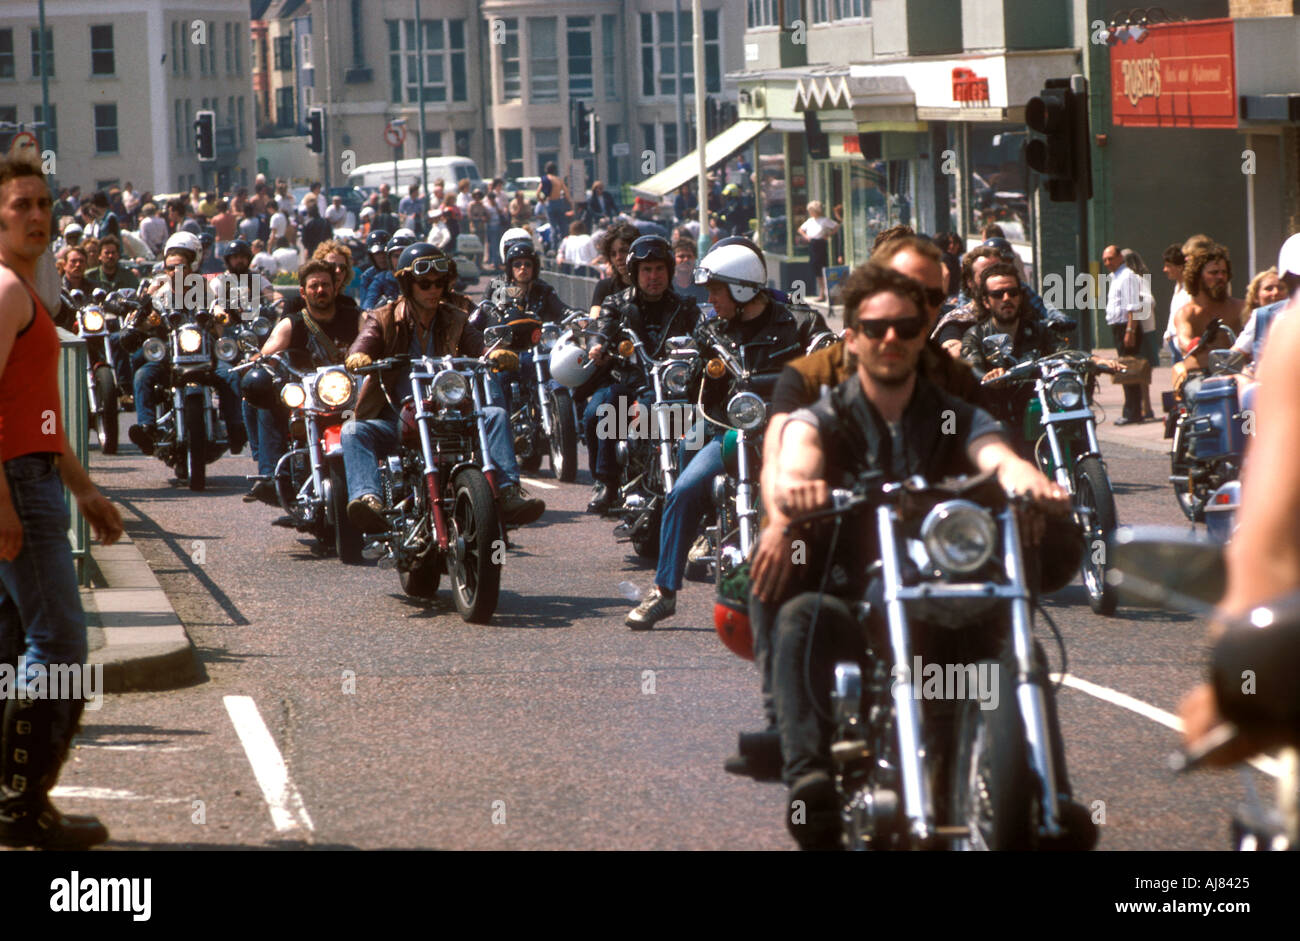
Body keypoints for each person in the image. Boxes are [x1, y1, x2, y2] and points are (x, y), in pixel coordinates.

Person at [766, 260, 1076, 850]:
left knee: (1020, 649)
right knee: (801, 618)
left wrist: (1030, 481)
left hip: (948, 583)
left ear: (921, 334)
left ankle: (1052, 797)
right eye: (875, 327)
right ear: (851, 335)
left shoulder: (953, 412)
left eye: (907, 327)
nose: (891, 338)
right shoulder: (822, 417)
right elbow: (796, 456)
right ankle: (810, 780)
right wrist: (797, 487)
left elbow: (996, 453)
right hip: (862, 592)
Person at [738, 234, 982, 781]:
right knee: (780, 564)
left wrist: (1033, 492)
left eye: (933, 300)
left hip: (933, 539)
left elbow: (992, 449)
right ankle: (788, 724)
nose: (917, 311)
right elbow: (781, 451)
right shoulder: (815, 374)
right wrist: (780, 518)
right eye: (906, 294)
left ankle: (1027, 766)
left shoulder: (952, 377)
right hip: (839, 534)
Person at [0, 155, 124, 848]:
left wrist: (84, 488)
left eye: (44, 203)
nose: (38, 215)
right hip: (15, 483)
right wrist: (4, 503)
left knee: (16, 641)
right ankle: (22, 807)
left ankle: (17, 801)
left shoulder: (24, 290)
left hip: (34, 475)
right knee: (60, 645)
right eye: (21, 204)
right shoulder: (8, 293)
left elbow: (38, 411)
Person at [622, 239, 828, 629]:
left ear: (741, 287)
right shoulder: (712, 330)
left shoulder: (799, 322)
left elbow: (827, 358)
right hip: (734, 432)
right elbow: (697, 391)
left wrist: (831, 348)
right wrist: (706, 370)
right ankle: (664, 590)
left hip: (790, 434)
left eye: (716, 290)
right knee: (684, 489)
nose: (711, 299)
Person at [340, 243, 545, 529]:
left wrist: (492, 355)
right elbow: (363, 343)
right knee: (352, 430)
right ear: (408, 284)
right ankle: (368, 500)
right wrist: (359, 356)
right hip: (398, 417)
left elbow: (477, 347)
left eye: (438, 282)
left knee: (496, 415)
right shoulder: (383, 317)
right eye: (424, 283)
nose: (433, 289)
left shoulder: (455, 317)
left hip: (450, 412)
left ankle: (507, 492)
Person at [584, 236, 703, 514]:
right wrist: (597, 345)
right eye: (647, 270)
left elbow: (704, 333)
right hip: (629, 380)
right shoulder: (617, 302)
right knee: (598, 412)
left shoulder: (684, 306)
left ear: (669, 271)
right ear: (636, 273)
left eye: (659, 269)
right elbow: (601, 326)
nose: (654, 276)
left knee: (699, 420)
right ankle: (607, 482)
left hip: (672, 383)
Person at [243, 259, 362, 506]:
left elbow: (373, 339)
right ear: (303, 291)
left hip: (349, 394)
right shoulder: (292, 323)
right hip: (306, 398)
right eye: (314, 285)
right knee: (270, 407)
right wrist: (259, 362)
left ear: (335, 288)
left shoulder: (355, 318)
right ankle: (275, 477)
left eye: (326, 285)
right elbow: (269, 355)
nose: (320, 290)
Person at [127, 232, 247, 458]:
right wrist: (143, 320)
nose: (175, 272)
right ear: (165, 270)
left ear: (190, 267)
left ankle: (235, 427)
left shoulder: (204, 289)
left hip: (204, 352)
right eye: (171, 268)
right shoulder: (160, 295)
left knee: (229, 374)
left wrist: (222, 314)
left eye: (180, 267)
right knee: (143, 374)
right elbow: (142, 319)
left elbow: (217, 308)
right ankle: (147, 428)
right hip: (170, 355)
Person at [1170, 243, 1246, 397]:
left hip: (1238, 375)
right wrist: (1197, 343)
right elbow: (1184, 341)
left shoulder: (1241, 308)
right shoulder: (1187, 313)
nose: (1220, 277)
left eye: (1224, 273)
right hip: (1200, 377)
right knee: (1203, 394)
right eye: (1214, 272)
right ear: (1198, 276)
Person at [1102, 244, 1148, 425]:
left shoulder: (1127, 276)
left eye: (1110, 258)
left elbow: (1133, 307)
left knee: (1128, 369)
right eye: (1105, 259)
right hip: (1118, 327)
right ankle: (1132, 410)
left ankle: (1133, 412)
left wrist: (1130, 330)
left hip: (1126, 327)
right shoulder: (1115, 277)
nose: (1107, 262)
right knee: (1125, 369)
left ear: (1120, 257)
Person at [588, 222, 639, 316]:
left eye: (623, 251)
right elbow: (594, 319)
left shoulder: (650, 286)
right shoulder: (604, 286)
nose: (618, 257)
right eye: (613, 254)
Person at [796, 200, 839, 302]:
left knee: (822, 268)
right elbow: (800, 229)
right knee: (816, 269)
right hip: (812, 244)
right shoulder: (810, 221)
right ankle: (822, 293)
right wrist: (806, 236)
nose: (810, 212)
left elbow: (836, 226)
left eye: (811, 210)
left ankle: (825, 293)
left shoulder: (824, 220)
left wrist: (827, 235)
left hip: (820, 244)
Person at [362, 230, 415, 310]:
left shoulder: (418, 276)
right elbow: (368, 304)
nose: (400, 260)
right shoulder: (380, 279)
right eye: (396, 256)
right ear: (389, 258)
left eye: (403, 255)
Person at [537, 162, 572, 237]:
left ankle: (554, 246)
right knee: (563, 225)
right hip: (559, 202)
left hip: (550, 203)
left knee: (553, 227)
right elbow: (566, 192)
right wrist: (570, 204)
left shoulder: (545, 179)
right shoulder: (559, 180)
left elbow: (538, 193)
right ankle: (563, 243)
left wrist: (542, 201)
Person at [357, 229, 391, 305]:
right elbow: (365, 307)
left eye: (384, 253)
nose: (382, 257)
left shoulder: (397, 273)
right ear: (371, 256)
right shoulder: (367, 276)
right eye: (377, 253)